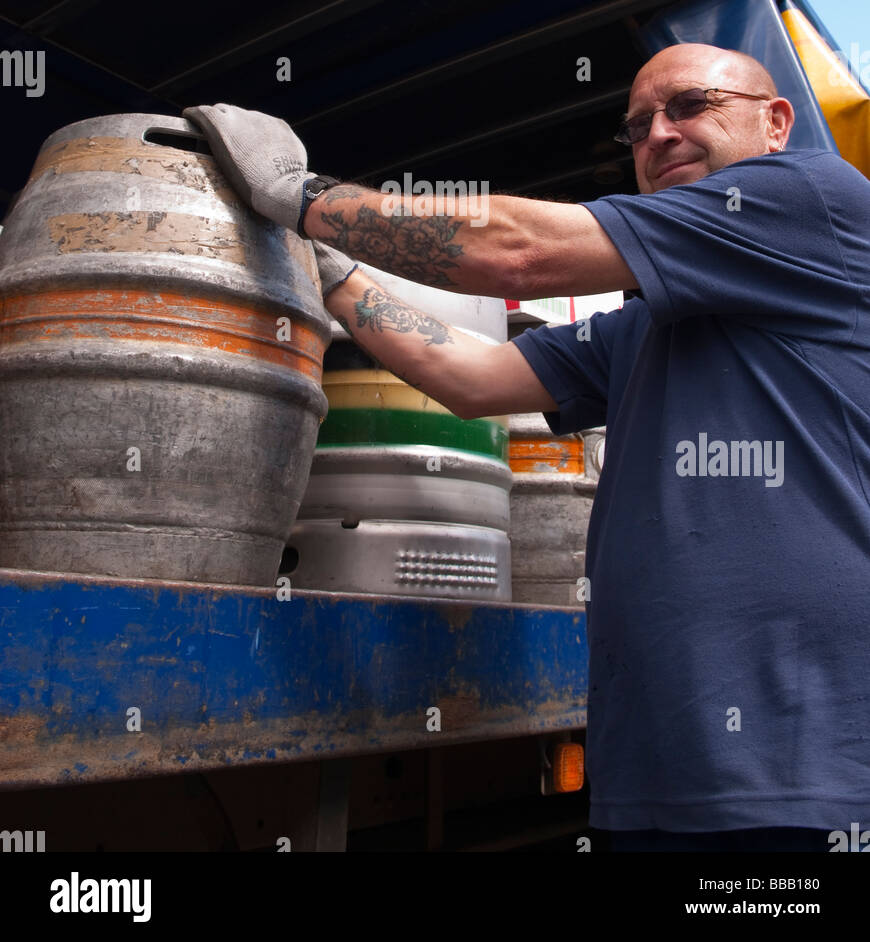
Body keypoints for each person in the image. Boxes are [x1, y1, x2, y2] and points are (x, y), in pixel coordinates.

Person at [185, 41, 870, 853]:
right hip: (655, 769)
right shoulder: (645, 325)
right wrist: (332, 271)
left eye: (690, 106)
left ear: (776, 120)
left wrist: (299, 197)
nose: (657, 136)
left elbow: (519, 249)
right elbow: (470, 376)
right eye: (637, 126)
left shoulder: (813, 199)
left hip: (805, 774)